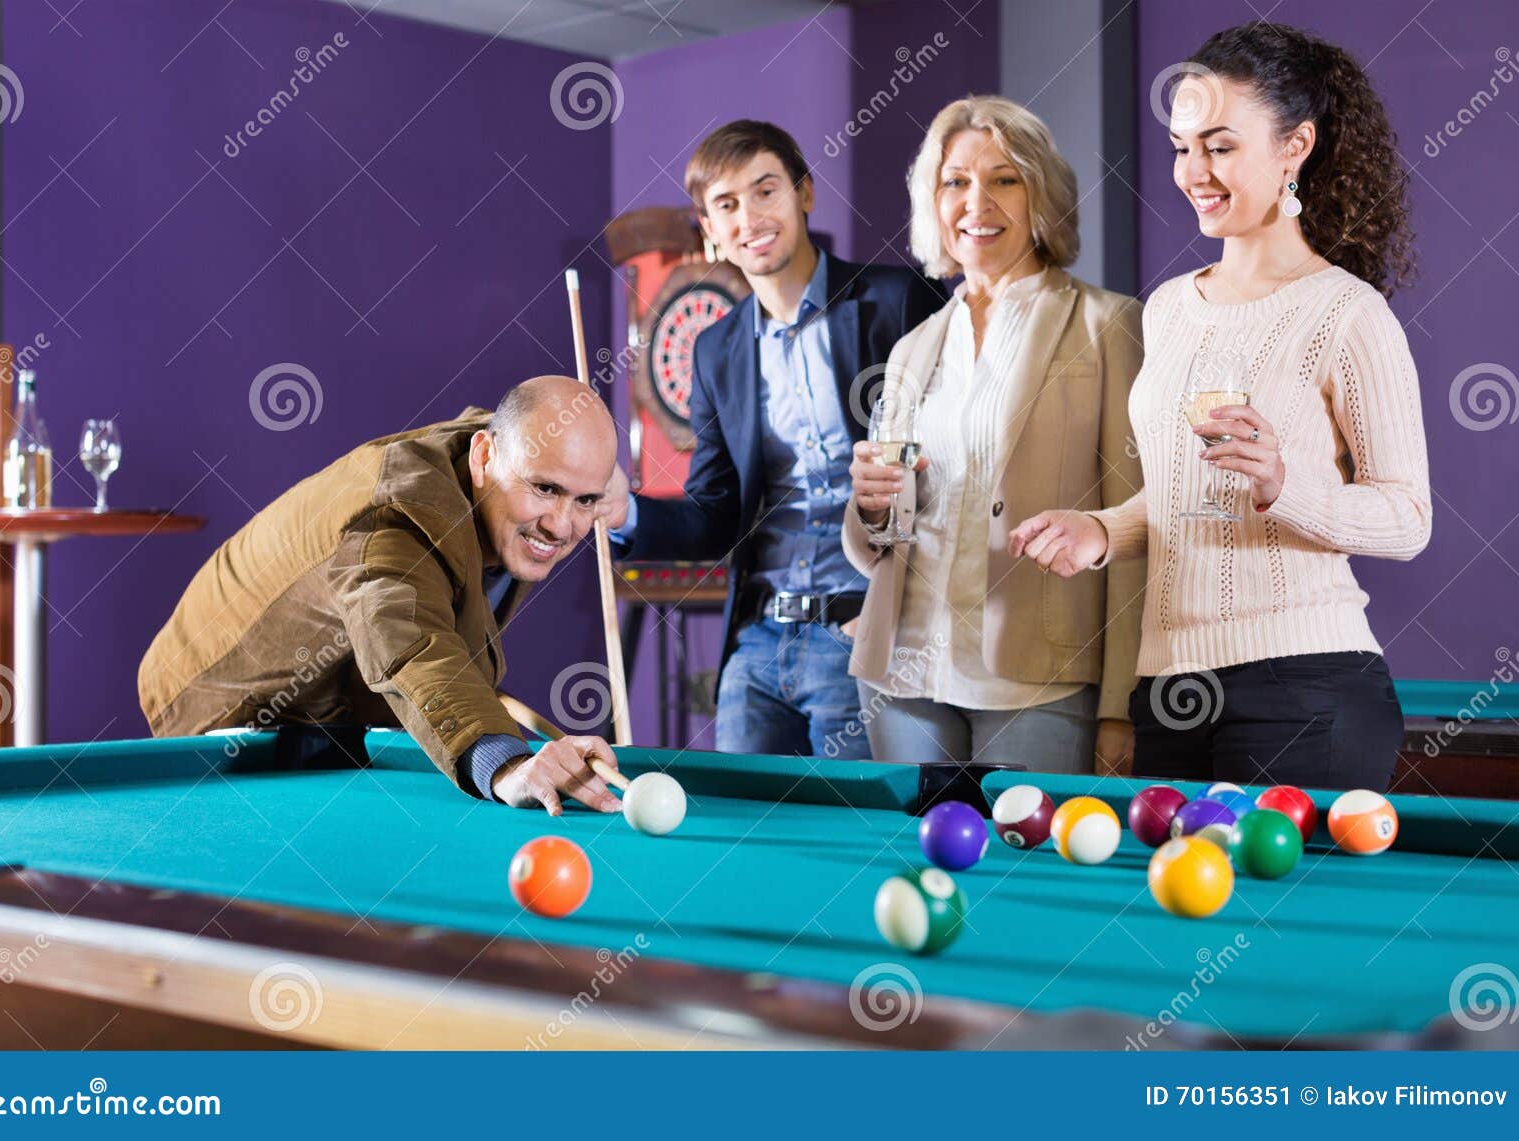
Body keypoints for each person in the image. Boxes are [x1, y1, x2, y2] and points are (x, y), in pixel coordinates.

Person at [1010, 22, 1430, 791]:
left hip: (1302, 686)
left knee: (1286, 915)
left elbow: (1409, 517)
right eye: (1180, 146)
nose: (1192, 170)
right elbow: (1189, 492)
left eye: (1220, 145)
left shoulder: (1346, 312)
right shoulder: (1171, 307)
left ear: (1294, 147)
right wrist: (1100, 531)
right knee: (1175, 911)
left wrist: (1285, 486)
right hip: (1168, 688)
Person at [599, 120, 946, 758]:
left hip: (866, 633)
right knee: (742, 842)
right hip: (758, 645)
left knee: (858, 846)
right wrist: (625, 511)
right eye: (726, 205)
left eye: (765, 192)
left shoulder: (899, 302)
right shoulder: (716, 350)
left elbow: (956, 473)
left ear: (804, 194)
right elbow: (715, 516)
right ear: (710, 229)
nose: (750, 217)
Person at [139, 376, 627, 814]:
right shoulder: (395, 519)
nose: (562, 524)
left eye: (585, 499)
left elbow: (519, 429)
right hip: (227, 707)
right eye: (544, 489)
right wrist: (505, 764)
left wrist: (604, 483)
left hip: (337, 702)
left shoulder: (507, 452)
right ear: (483, 457)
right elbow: (411, 647)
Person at [842, 97, 1144, 774]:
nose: (977, 201)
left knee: (1021, 875)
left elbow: (1135, 529)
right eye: (955, 181)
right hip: (905, 671)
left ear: (1043, 195)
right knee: (922, 872)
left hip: (1042, 678)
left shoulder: (1108, 326)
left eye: (1004, 178)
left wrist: (1120, 704)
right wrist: (868, 507)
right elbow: (880, 544)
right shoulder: (913, 349)